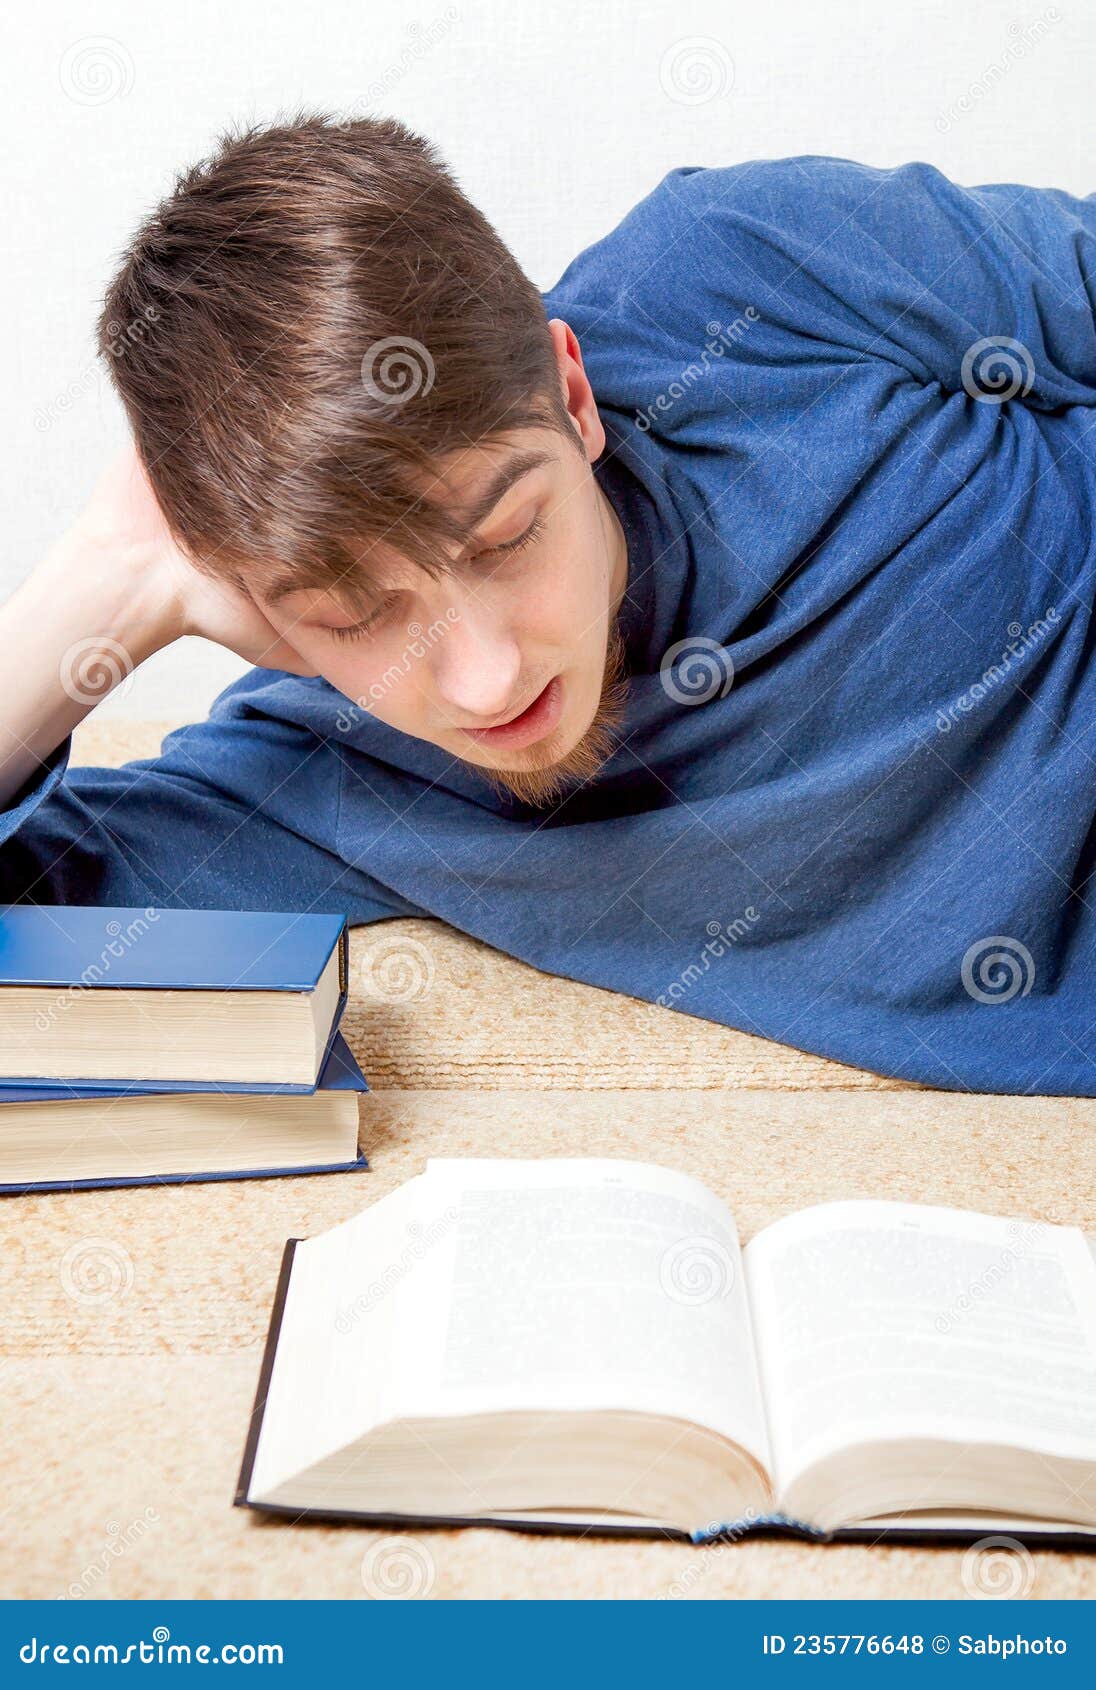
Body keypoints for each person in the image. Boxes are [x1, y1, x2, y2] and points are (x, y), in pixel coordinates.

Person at [2, 113, 1094, 1094]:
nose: (489, 683)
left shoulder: (736, 270)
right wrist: (107, 581)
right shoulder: (323, 774)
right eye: (354, 614)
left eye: (508, 535)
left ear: (573, 398)